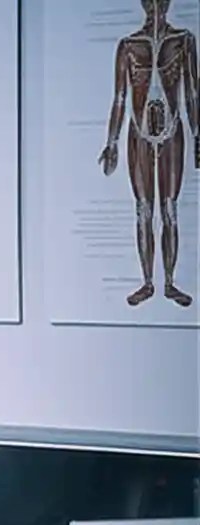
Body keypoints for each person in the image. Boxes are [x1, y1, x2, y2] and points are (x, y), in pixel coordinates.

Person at [99, 0, 197, 308]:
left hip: (172, 131)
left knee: (169, 209)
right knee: (143, 209)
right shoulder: (128, 45)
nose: (156, 6)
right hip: (138, 134)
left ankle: (169, 282)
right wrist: (111, 141)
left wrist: (197, 134)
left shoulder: (183, 41)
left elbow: (193, 92)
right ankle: (147, 282)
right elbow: (119, 98)